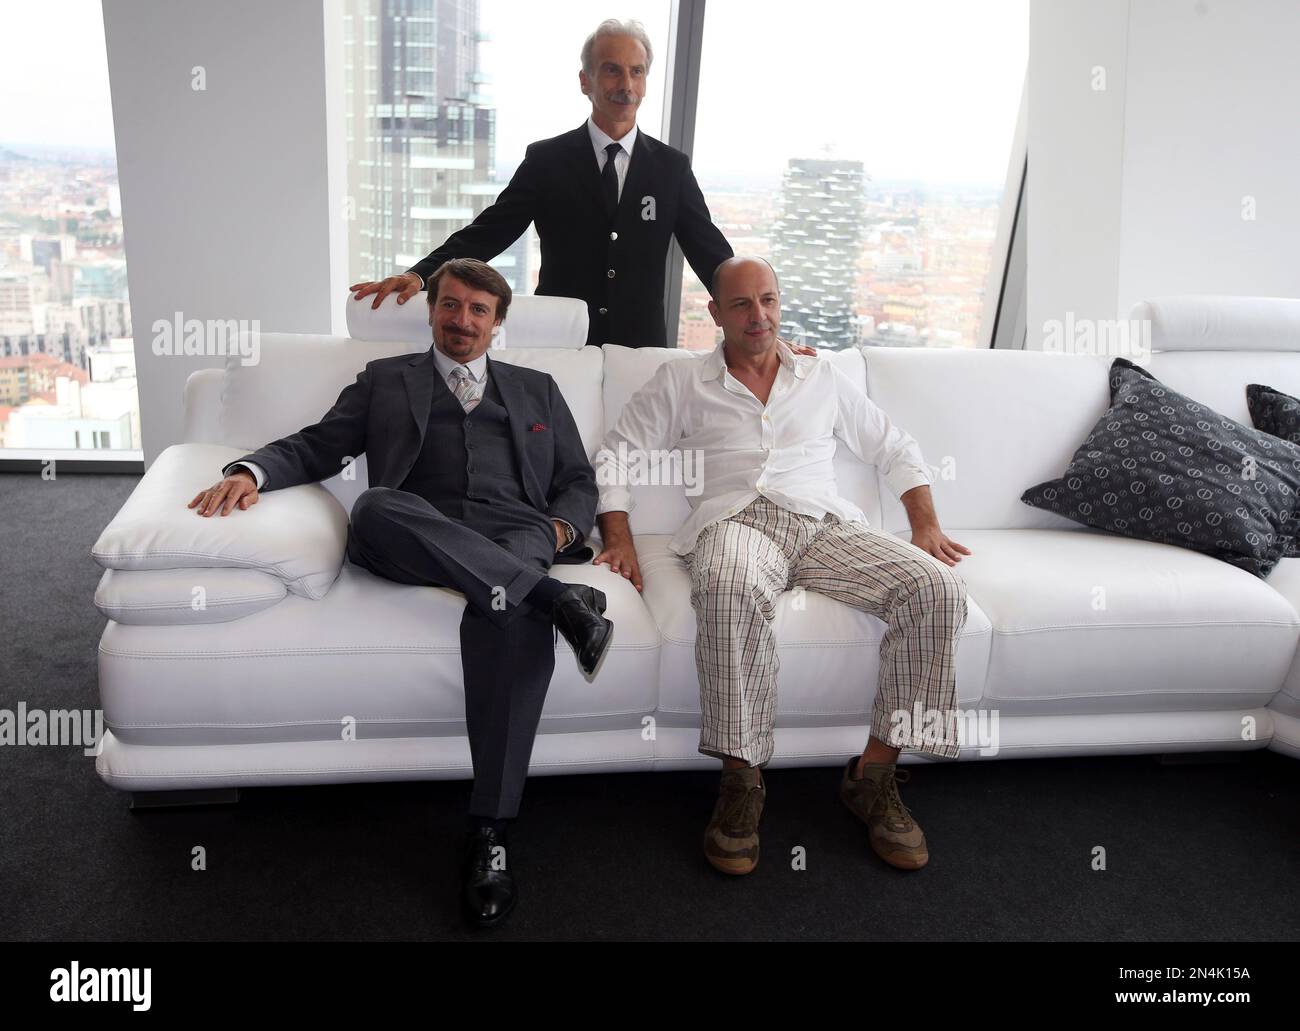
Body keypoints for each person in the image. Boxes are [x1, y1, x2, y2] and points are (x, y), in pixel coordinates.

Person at [187, 258, 612, 928]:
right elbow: (317, 446)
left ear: (497, 323)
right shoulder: (387, 380)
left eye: (478, 309)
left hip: (516, 536)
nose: (462, 320)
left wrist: (560, 527)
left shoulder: (539, 388)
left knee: (508, 614)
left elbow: (578, 479)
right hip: (413, 530)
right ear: (431, 310)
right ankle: (557, 601)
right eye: (450, 305)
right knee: (376, 505)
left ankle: (490, 833)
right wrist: (250, 470)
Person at [592, 256, 973, 876]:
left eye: (767, 300)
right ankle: (742, 780)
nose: (758, 315)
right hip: (735, 525)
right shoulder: (681, 380)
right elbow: (617, 456)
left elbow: (894, 447)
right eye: (741, 304)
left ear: (780, 303)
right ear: (715, 314)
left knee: (934, 587)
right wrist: (620, 535)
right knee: (726, 587)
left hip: (824, 526)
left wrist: (924, 523)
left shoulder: (819, 377)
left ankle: (874, 776)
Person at [348, 19, 731, 349]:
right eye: (612, 70)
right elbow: (488, 232)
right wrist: (419, 275)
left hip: (640, 347)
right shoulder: (547, 160)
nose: (626, 85)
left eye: (637, 71)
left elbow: (709, 251)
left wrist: (752, 314)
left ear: (646, 82)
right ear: (586, 80)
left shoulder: (672, 168)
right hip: (560, 343)